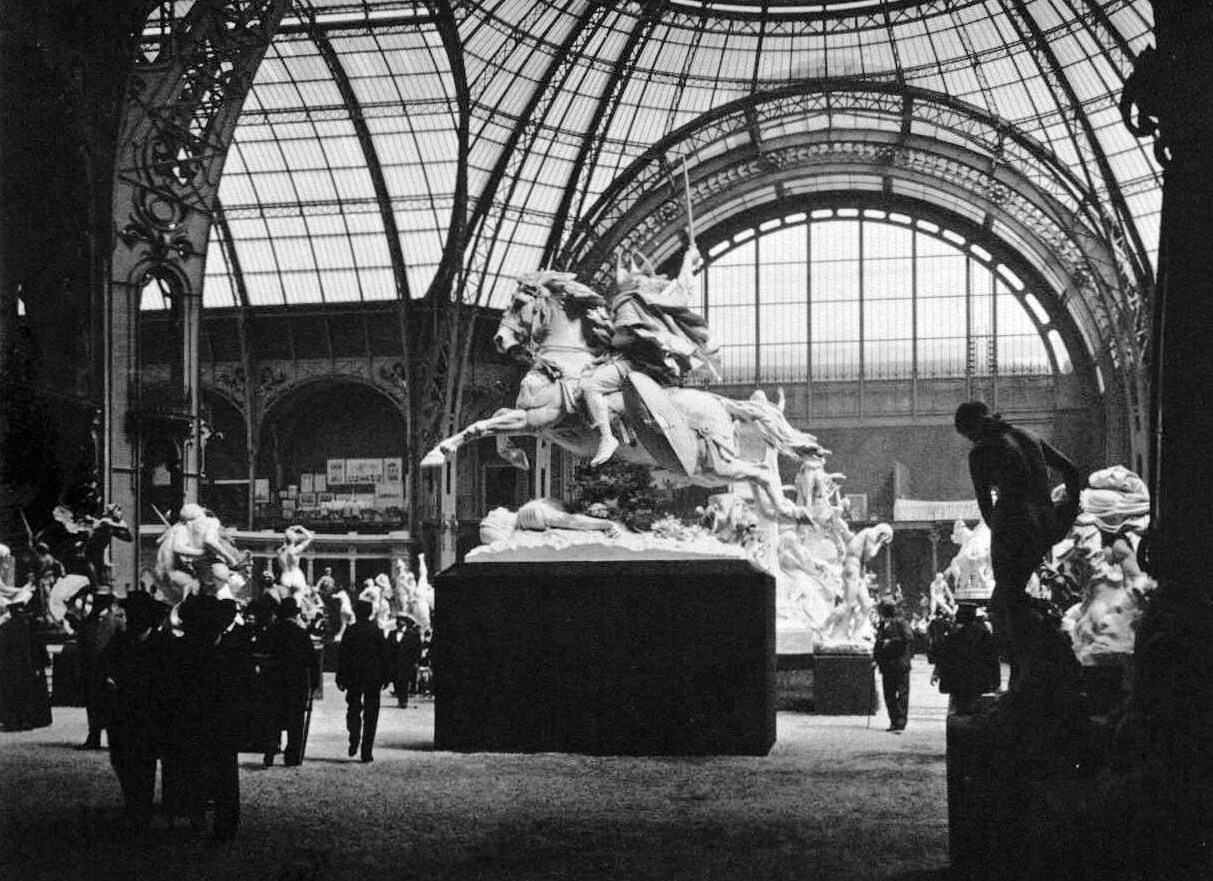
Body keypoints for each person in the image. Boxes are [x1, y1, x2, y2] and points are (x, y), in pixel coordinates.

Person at [954, 401, 1081, 688]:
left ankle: (1022, 681)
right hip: (1044, 523)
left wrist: (1000, 527)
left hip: (1013, 527)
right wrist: (1068, 511)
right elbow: (1072, 471)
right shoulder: (1029, 436)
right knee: (1013, 600)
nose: (970, 439)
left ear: (973, 427)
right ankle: (1032, 672)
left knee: (1005, 606)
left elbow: (985, 505)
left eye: (968, 434)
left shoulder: (981, 452)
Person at [580, 235, 719, 467]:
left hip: (634, 365)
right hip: (659, 367)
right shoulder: (657, 299)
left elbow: (624, 339)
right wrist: (688, 259)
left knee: (588, 385)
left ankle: (607, 438)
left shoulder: (628, 301)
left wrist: (605, 329)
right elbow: (683, 287)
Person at [101, 591, 167, 833]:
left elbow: (167, 681)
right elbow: (104, 668)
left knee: (145, 763)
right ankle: (133, 803)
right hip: (121, 715)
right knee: (121, 761)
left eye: (134, 615)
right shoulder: (119, 641)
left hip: (148, 717)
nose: (130, 620)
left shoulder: (161, 644)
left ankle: (141, 811)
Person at [263, 597, 320, 767]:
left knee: (273, 717)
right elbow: (312, 661)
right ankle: (292, 755)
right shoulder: (302, 634)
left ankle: (271, 747)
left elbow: (263, 655)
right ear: (294, 615)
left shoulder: (271, 631)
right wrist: (314, 683)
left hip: (275, 681)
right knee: (296, 720)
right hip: (297, 683)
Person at [336, 599, 389, 763]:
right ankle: (367, 750)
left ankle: (354, 736)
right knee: (371, 714)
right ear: (370, 613)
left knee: (353, 708)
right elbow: (384, 656)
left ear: (356, 613)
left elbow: (342, 656)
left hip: (354, 676)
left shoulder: (350, 631)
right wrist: (385, 677)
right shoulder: (376, 631)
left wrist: (340, 676)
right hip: (373, 677)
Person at [931, 603, 1001, 714]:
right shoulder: (983, 634)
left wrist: (937, 673)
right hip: (977, 679)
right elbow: (992, 660)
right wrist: (996, 682)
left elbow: (944, 656)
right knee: (974, 708)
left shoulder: (953, 635)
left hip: (957, 680)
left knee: (959, 707)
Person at [77, 589, 121, 749]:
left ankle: (112, 739)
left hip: (108, 671)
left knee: (111, 705)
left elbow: (119, 647)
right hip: (91, 670)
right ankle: (93, 736)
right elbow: (81, 647)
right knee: (93, 704)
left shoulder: (116, 622)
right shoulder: (87, 622)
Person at [874, 599, 913, 733]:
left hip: (900, 664)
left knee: (902, 694)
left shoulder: (901, 622)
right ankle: (893, 720)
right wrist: (875, 659)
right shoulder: (882, 625)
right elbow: (878, 644)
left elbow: (908, 638)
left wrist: (890, 642)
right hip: (887, 665)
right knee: (889, 695)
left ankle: (900, 721)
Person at [391, 614, 423, 709]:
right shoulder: (392, 634)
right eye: (397, 621)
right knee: (396, 681)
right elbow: (388, 648)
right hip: (395, 662)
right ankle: (400, 698)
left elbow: (417, 649)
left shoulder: (412, 635)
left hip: (407, 663)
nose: (398, 623)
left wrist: (416, 661)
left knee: (404, 681)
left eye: (401, 621)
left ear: (405, 623)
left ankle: (403, 701)